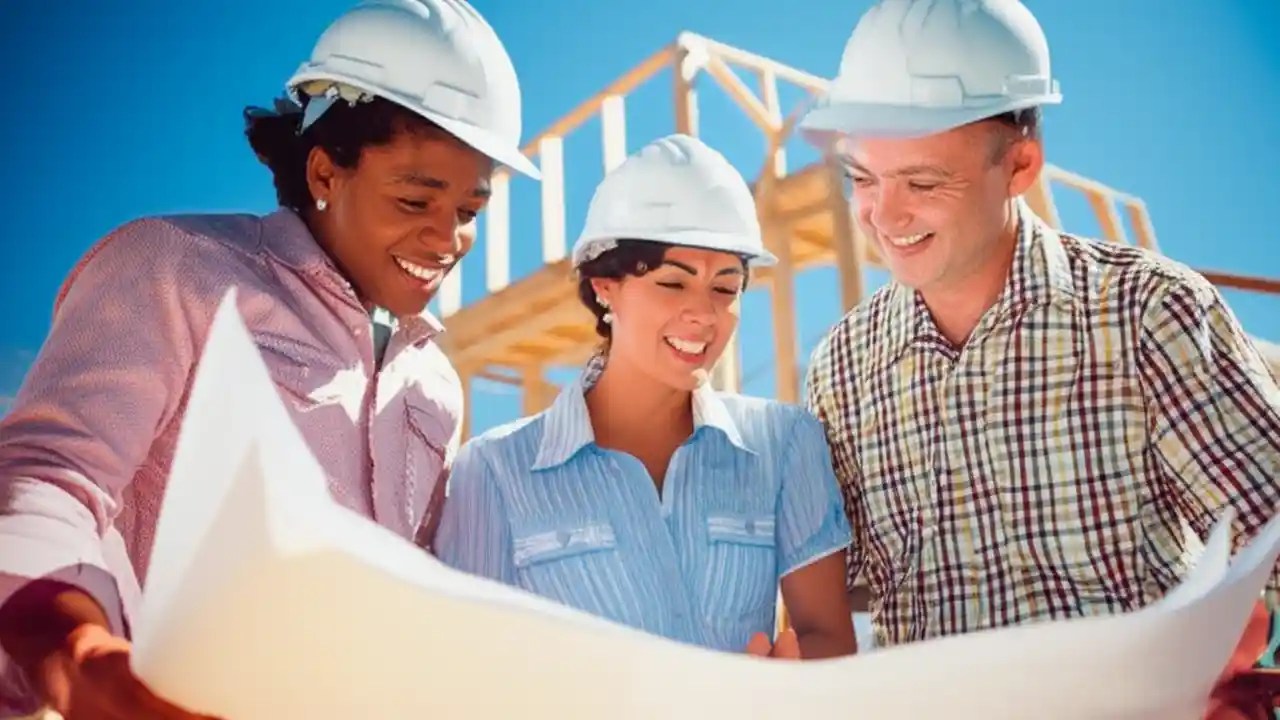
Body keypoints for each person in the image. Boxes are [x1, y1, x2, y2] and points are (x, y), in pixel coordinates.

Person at [0, 0, 540, 716]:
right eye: (415, 201)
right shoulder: (178, 270)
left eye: (468, 212)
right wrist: (85, 663)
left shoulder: (434, 383)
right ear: (324, 172)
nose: (447, 240)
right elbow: (48, 482)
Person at [798, 0, 1280, 713]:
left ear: (1020, 165)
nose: (885, 216)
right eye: (863, 178)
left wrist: (1250, 676)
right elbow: (823, 606)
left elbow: (1271, 546)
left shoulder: (1147, 313)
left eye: (924, 183)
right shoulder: (842, 368)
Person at [435, 134, 857, 659]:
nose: (703, 314)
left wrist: (778, 688)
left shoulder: (785, 444)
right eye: (673, 284)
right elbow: (469, 670)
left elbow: (829, 638)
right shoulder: (494, 471)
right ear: (604, 286)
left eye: (725, 288)